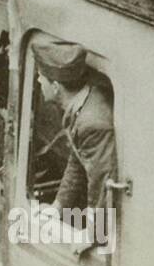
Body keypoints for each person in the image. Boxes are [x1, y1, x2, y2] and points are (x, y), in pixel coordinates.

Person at [31, 36, 116, 213]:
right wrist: (58, 206)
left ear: (55, 87)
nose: (38, 81)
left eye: (41, 78)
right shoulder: (82, 102)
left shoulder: (91, 123)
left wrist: (92, 234)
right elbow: (78, 157)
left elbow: (101, 186)